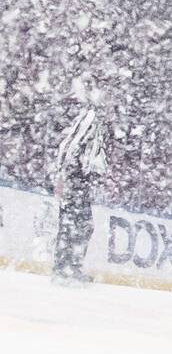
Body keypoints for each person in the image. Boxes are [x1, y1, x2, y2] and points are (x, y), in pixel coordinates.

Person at [52, 105, 107, 285]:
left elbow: (70, 150)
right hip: (76, 182)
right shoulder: (92, 121)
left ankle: (64, 267)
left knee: (74, 225)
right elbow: (74, 150)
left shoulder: (90, 122)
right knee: (79, 225)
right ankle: (67, 268)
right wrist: (67, 175)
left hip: (75, 182)